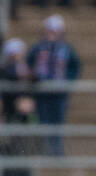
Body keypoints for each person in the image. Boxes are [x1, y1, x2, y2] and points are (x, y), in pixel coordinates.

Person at [26, 15, 79, 156]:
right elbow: (28, 64)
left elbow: (74, 67)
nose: (51, 34)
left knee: (57, 122)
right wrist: (33, 77)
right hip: (41, 92)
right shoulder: (38, 48)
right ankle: (43, 150)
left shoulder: (66, 49)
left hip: (58, 92)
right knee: (42, 120)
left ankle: (56, 152)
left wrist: (68, 81)